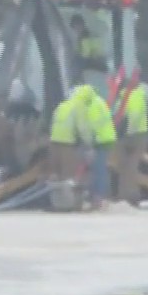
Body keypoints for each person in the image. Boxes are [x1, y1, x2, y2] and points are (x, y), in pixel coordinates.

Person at [47, 78, 116, 207]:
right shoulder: (86, 103)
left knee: (61, 173)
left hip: (57, 141)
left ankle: (65, 201)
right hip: (88, 140)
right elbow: (83, 127)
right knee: (82, 172)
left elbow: (54, 122)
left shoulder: (64, 104)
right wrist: (88, 144)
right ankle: (80, 201)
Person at [110, 68, 148, 205]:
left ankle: (128, 197)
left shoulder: (128, 97)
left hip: (132, 136)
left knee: (126, 167)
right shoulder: (138, 95)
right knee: (129, 167)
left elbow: (127, 116)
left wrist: (123, 132)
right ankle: (129, 196)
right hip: (139, 136)